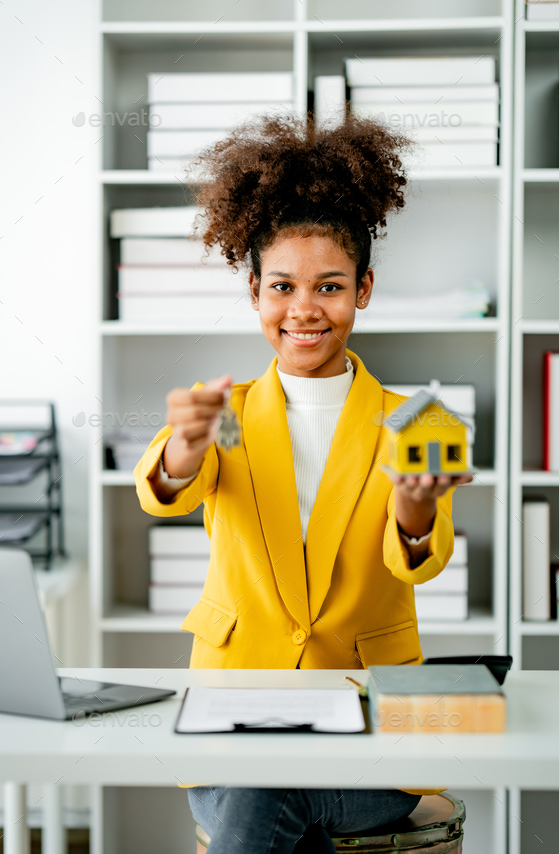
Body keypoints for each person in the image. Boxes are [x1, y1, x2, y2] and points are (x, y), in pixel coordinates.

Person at [134, 113, 473, 854]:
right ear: (255, 290)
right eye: (283, 286)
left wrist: (414, 510)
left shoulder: (420, 419)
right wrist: (181, 452)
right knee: (262, 789)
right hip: (232, 719)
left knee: (262, 802)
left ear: (365, 289)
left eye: (330, 286)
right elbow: (168, 483)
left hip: (372, 736)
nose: (305, 309)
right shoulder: (225, 413)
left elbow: (424, 552)